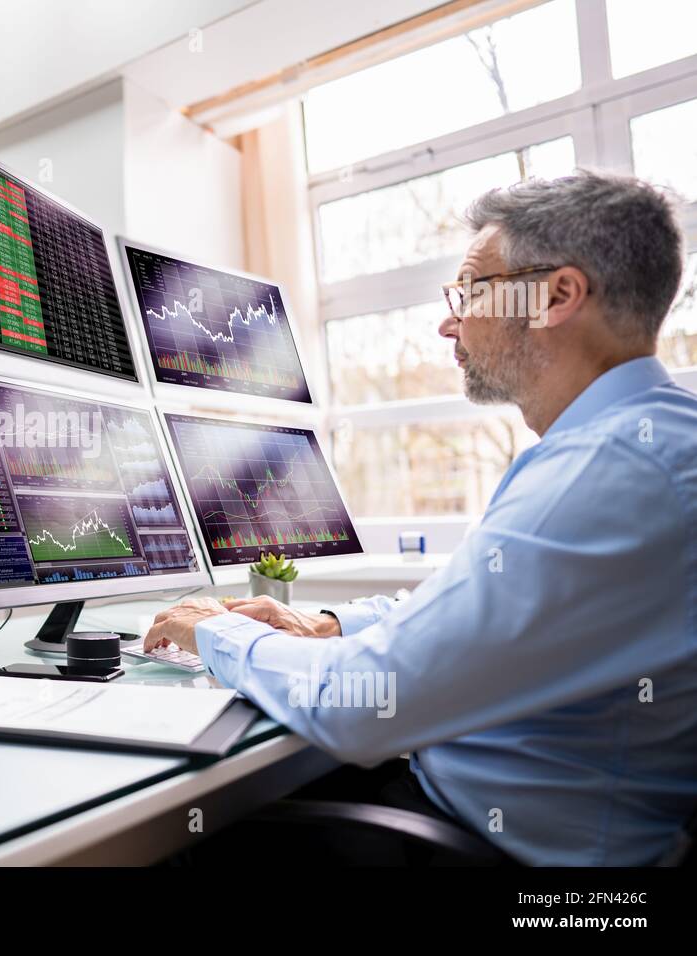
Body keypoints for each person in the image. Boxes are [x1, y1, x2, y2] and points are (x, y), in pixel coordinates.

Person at [145, 170, 697, 866]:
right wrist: (328, 624)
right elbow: (473, 606)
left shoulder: (608, 469)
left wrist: (216, 632)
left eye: (470, 292)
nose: (448, 320)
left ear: (558, 295)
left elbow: (355, 705)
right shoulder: (649, 440)